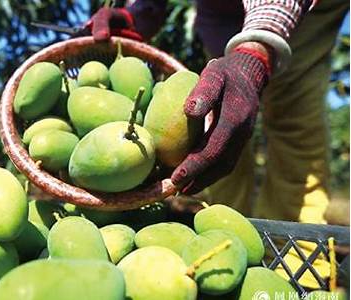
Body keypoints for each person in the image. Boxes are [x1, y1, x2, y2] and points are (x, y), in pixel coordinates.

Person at [82, 0, 349, 288]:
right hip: (222, 12)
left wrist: (253, 52)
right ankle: (232, 244)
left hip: (303, 12)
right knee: (223, 123)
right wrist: (142, 11)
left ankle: (298, 271)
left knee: (293, 123)